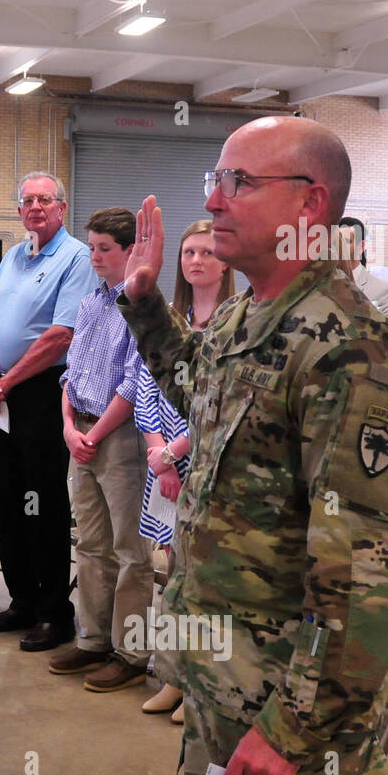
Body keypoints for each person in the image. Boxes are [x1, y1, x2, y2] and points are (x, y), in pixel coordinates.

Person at [118, 116, 388, 775]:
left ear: (310, 204)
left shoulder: (350, 350)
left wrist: (293, 730)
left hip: (286, 727)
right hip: (221, 687)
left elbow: (365, 574)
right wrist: (143, 307)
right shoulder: (244, 319)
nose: (215, 201)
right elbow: (199, 394)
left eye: (239, 183)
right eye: (216, 181)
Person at [0, 172, 99, 652]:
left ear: (62, 208)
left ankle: (53, 612)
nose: (35, 207)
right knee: (4, 499)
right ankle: (22, 599)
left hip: (39, 394)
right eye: (27, 201)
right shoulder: (10, 258)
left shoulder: (75, 259)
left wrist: (4, 381)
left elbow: (61, 335)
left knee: (41, 501)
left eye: (45, 200)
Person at [49, 207, 154, 692]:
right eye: (90, 247)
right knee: (90, 544)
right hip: (82, 433)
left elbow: (134, 382)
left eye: (104, 248)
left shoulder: (142, 306)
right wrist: (71, 426)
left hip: (120, 438)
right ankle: (92, 639)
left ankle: (130, 651)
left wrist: (95, 434)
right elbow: (71, 372)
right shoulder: (90, 304)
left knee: (130, 549)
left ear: (131, 250)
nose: (94, 256)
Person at [135, 220, 235, 722]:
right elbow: (144, 387)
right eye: (187, 251)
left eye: (206, 252)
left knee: (203, 582)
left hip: (203, 466)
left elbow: (219, 405)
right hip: (163, 468)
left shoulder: (234, 321)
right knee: (171, 579)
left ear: (225, 263)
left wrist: (176, 453)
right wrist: (157, 451)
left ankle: (201, 688)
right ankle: (172, 678)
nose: (195, 260)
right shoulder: (168, 319)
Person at [337, 216, 388, 326]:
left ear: (360, 247)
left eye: (347, 241)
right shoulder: (319, 286)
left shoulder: (384, 293)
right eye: (336, 241)